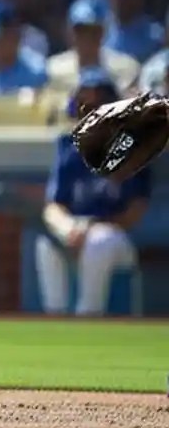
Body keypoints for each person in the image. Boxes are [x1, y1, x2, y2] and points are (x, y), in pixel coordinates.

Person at [36, 69, 151, 316]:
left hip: (117, 239)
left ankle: (89, 316)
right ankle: (54, 317)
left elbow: (136, 210)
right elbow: (54, 205)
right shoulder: (69, 147)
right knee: (47, 244)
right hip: (78, 232)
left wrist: (92, 228)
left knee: (99, 242)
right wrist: (69, 229)